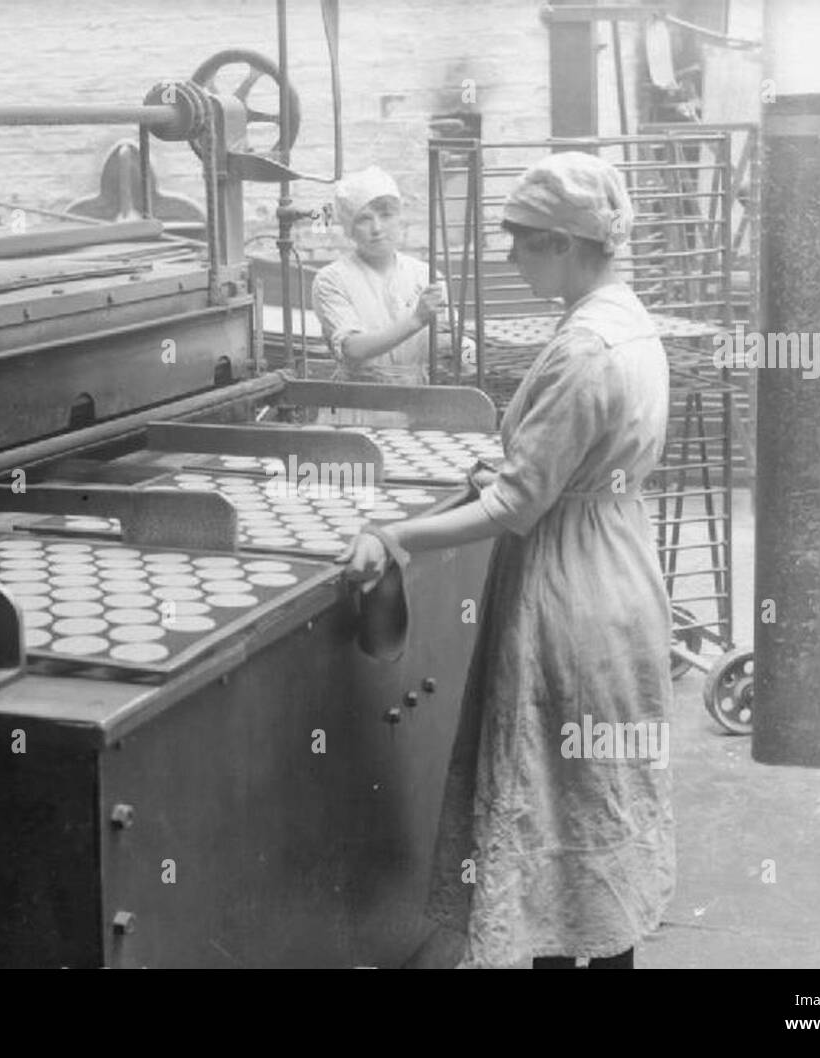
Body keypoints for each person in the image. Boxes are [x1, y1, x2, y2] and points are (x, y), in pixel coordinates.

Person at [340, 152, 675, 969]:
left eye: (521, 243)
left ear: (565, 243)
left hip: (568, 594)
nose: (510, 257)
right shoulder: (630, 318)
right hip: (623, 571)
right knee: (596, 800)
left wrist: (398, 537)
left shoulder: (582, 347)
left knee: (552, 803)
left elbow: (518, 507)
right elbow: (572, 463)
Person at [310, 167, 445, 403]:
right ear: (349, 228)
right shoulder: (331, 279)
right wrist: (416, 320)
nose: (377, 228)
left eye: (386, 215)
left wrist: (467, 354)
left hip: (418, 400)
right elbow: (353, 349)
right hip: (359, 402)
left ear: (399, 219)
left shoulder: (426, 275)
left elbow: (449, 342)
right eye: (364, 219)